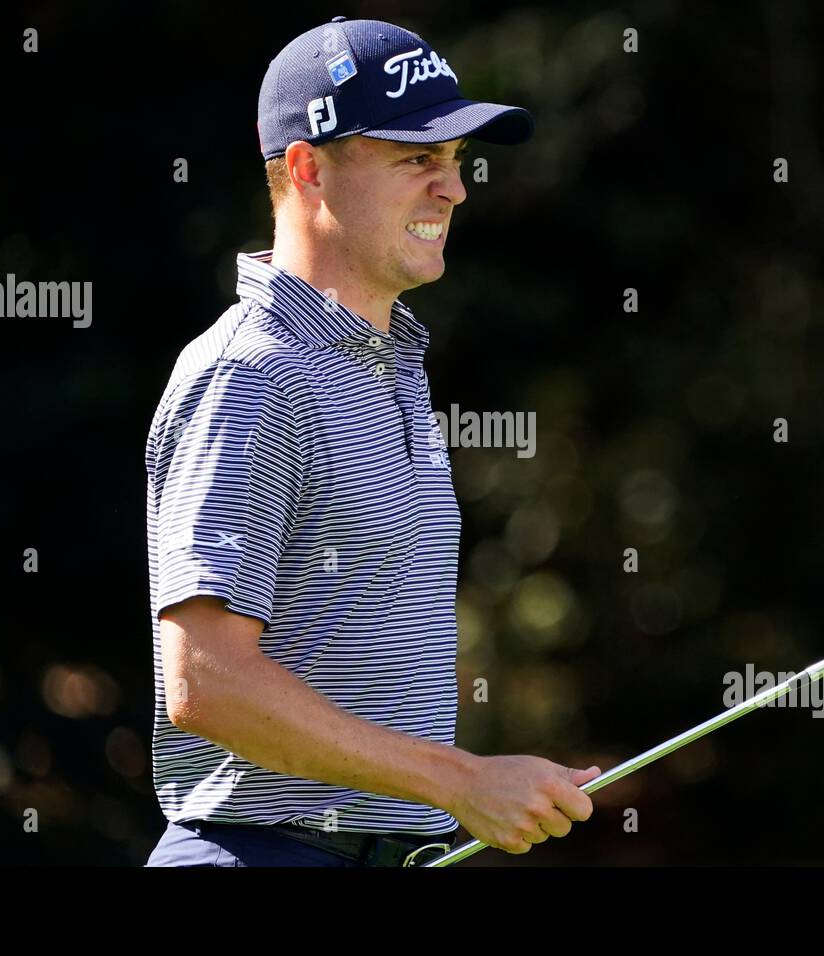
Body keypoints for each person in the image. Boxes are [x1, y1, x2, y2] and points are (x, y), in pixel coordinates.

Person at [143, 16, 600, 867]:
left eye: (456, 162)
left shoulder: (389, 365)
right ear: (309, 169)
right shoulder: (251, 374)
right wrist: (460, 782)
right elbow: (206, 683)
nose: (454, 189)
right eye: (416, 158)